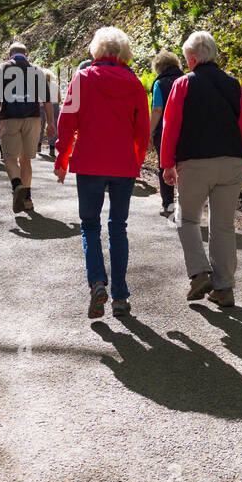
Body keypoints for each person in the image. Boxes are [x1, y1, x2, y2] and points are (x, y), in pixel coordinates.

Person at [54, 28, 150, 319]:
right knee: (118, 226)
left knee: (90, 225)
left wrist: (62, 156)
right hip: (123, 165)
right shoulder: (134, 83)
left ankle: (97, 283)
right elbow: (142, 131)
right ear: (123, 54)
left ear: (95, 51)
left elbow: (67, 120)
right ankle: (120, 297)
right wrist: (136, 160)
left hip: (90, 163)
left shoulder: (81, 79)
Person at [159, 31, 242, 309]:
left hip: (195, 162)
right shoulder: (233, 84)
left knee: (186, 219)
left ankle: (200, 273)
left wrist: (167, 163)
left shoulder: (183, 84)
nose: (187, 62)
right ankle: (224, 288)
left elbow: (171, 124)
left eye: (188, 58)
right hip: (231, 162)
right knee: (223, 226)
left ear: (194, 57)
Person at [0, 42, 55, 213]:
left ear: (9, 55)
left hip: (10, 118)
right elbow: (47, 100)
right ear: (27, 55)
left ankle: (17, 185)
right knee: (26, 159)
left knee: (10, 158)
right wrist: (50, 123)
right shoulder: (37, 70)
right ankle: (27, 199)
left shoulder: (2, 68)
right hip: (33, 119)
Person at [148, 50, 183, 216]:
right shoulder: (186, 80)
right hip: (186, 130)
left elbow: (157, 110)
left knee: (165, 165)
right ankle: (186, 205)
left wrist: (149, 132)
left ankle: (168, 205)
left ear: (159, 67)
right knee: (184, 167)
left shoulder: (160, 83)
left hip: (165, 131)